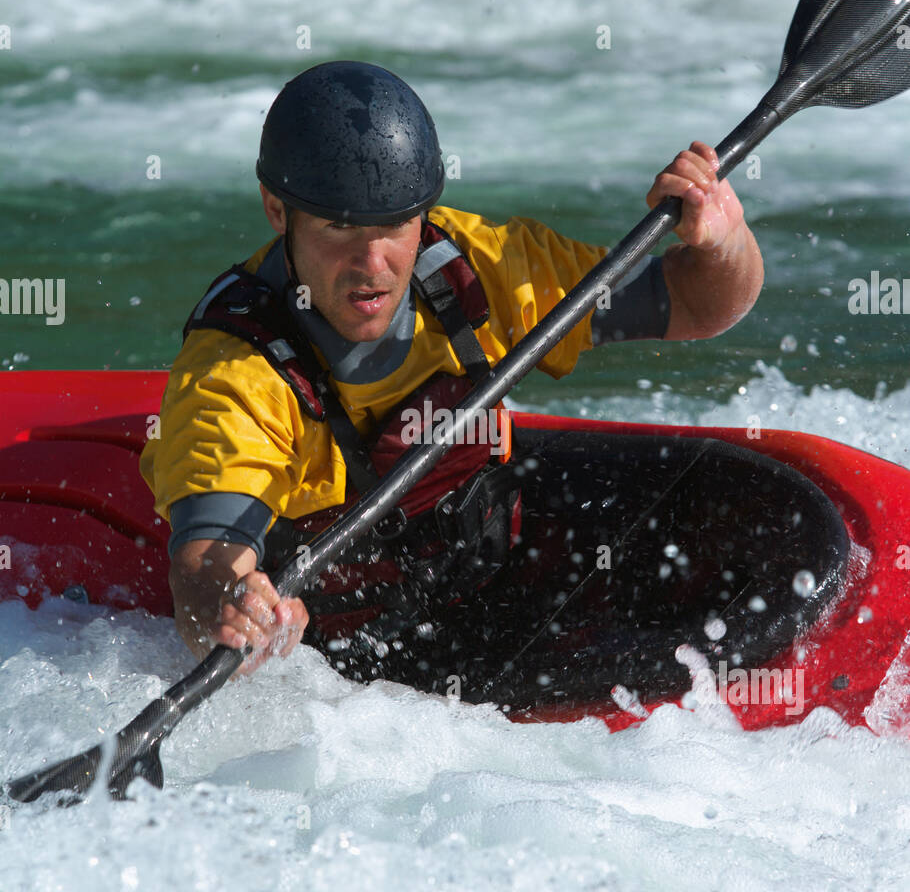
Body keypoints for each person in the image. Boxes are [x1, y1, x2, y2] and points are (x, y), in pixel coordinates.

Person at [140, 60, 763, 690]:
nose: (372, 263)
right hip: (351, 674)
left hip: (487, 587)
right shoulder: (234, 378)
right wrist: (236, 611)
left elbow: (697, 305)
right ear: (278, 210)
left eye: (396, 226)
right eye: (339, 227)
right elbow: (202, 571)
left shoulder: (479, 269)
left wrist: (723, 240)